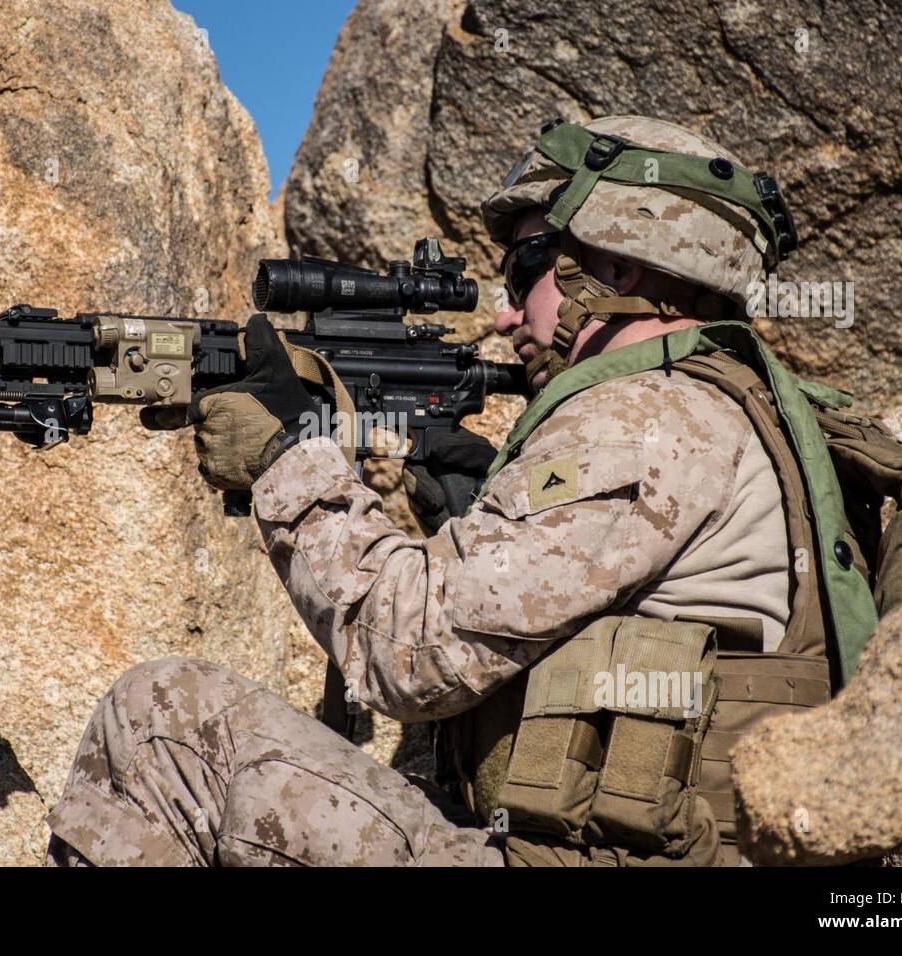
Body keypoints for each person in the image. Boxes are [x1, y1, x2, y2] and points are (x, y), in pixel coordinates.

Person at [45, 115, 835, 867]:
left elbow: (408, 656)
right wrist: (466, 508)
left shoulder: (646, 417)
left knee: (161, 718)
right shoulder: (733, 409)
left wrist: (289, 461)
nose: (504, 312)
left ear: (619, 265)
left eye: (527, 268)